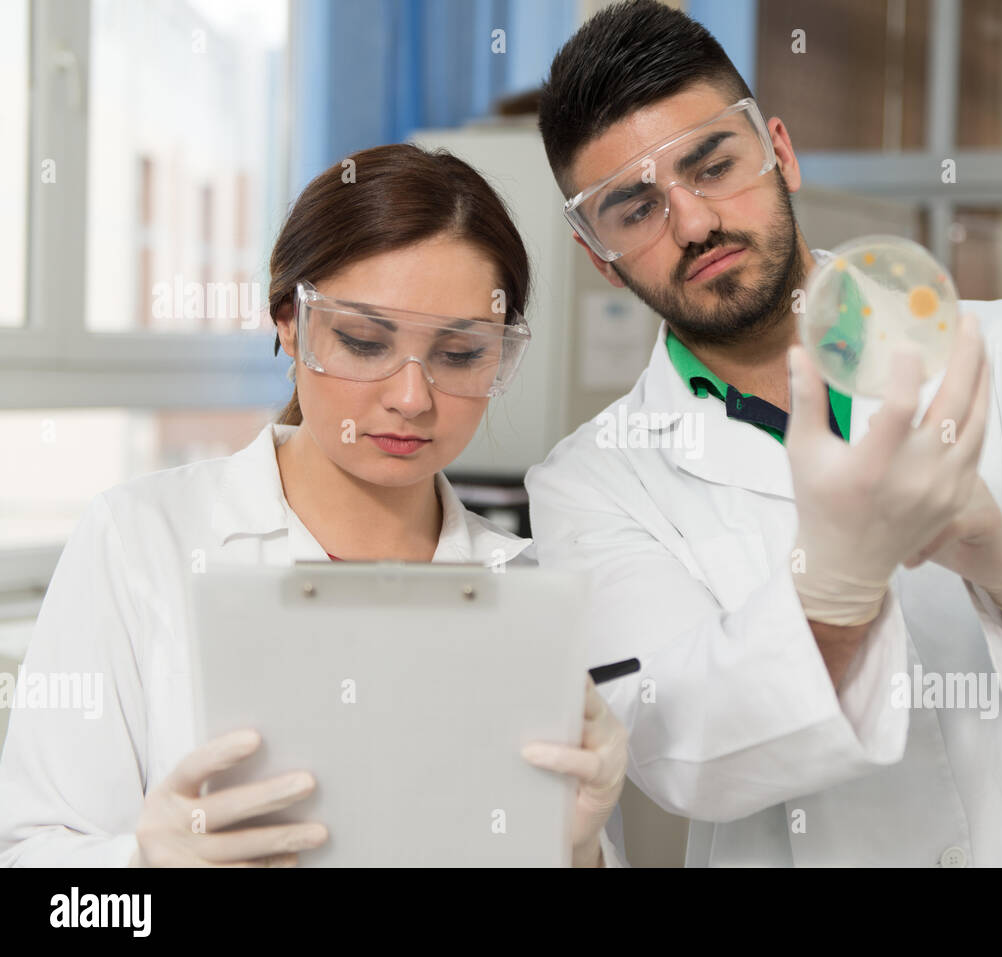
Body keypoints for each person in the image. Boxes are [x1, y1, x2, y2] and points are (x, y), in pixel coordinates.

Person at [524, 0, 1002, 866]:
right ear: (600, 255)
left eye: (713, 166)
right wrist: (835, 592)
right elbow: (679, 751)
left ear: (779, 151)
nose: (696, 223)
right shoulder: (591, 484)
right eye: (635, 209)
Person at [0, 144, 627, 868]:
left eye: (460, 355)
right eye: (365, 341)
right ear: (289, 324)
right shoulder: (140, 540)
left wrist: (580, 850)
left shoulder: (527, 589)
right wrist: (144, 865)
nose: (412, 398)